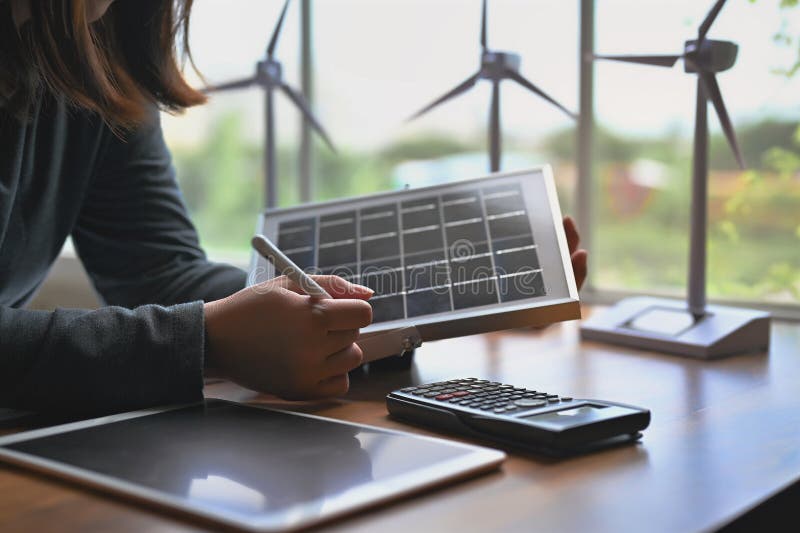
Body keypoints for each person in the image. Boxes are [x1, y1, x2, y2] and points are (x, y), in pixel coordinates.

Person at [0, 0, 588, 417]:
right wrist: (207, 340)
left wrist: (397, 306)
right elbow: (197, 317)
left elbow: (158, 272)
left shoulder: (99, 61)